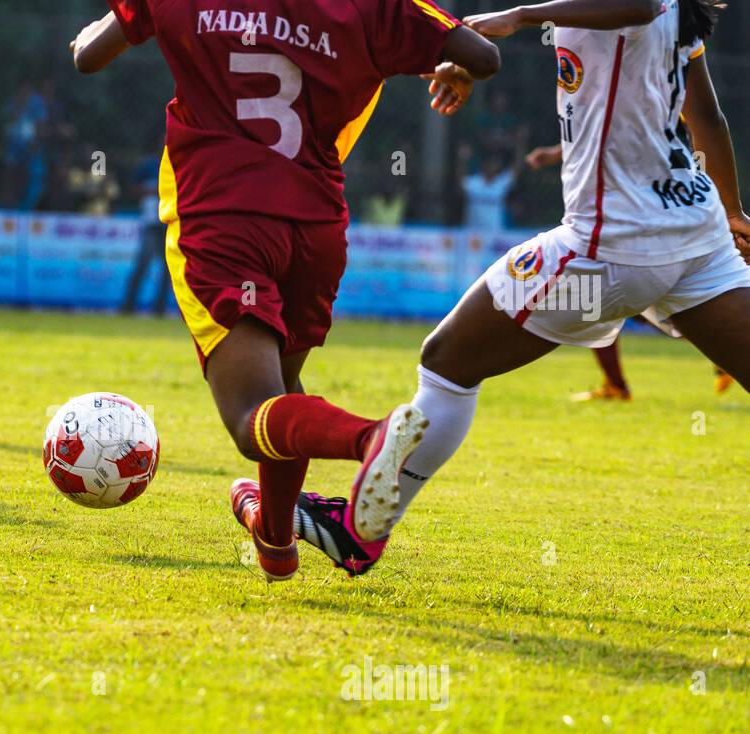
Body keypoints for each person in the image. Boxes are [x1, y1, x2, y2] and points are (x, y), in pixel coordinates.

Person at [304, 0, 750, 567]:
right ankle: (358, 529)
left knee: (446, 363)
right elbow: (705, 112)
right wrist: (732, 209)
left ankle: (358, 533)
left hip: (607, 252)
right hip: (696, 236)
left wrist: (518, 17)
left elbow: (638, 5)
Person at [71, 0, 501, 581]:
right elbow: (483, 55)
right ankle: (274, 541)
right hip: (314, 229)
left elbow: (88, 58)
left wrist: (84, 37)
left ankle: (371, 439)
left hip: (221, 216)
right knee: (284, 388)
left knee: (251, 415)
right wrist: (453, 68)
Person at [525, 142, 738, 400]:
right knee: (628, 308)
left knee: (597, 304)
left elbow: (607, 127)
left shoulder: (647, 117)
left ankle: (618, 385)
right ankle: (618, 383)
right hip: (647, 217)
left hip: (636, 220)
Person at [121, 147, 173, 315]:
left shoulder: (178, 161)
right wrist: (153, 191)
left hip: (169, 223)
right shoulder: (148, 165)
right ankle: (128, 305)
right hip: (151, 222)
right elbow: (132, 189)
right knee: (143, 264)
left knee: (169, 269)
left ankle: (160, 308)